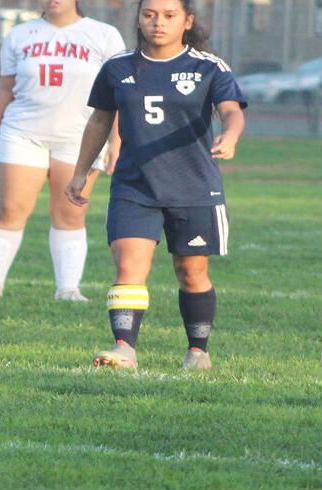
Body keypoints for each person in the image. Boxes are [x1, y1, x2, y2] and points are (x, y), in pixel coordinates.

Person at [66, 0, 245, 370]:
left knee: (191, 272)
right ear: (139, 19)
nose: (157, 23)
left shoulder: (208, 67)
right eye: (149, 15)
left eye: (168, 15)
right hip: (135, 186)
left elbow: (231, 110)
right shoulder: (118, 67)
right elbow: (100, 121)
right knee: (129, 265)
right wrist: (81, 171)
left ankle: (198, 351)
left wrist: (230, 135)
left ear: (187, 21)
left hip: (195, 187)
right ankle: (124, 349)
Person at [0, 0, 126, 303]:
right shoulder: (20, 34)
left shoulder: (103, 34)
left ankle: (68, 289)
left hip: (81, 137)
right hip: (22, 132)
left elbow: (118, 93)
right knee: (10, 209)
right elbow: (5, 89)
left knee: (70, 212)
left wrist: (116, 140)